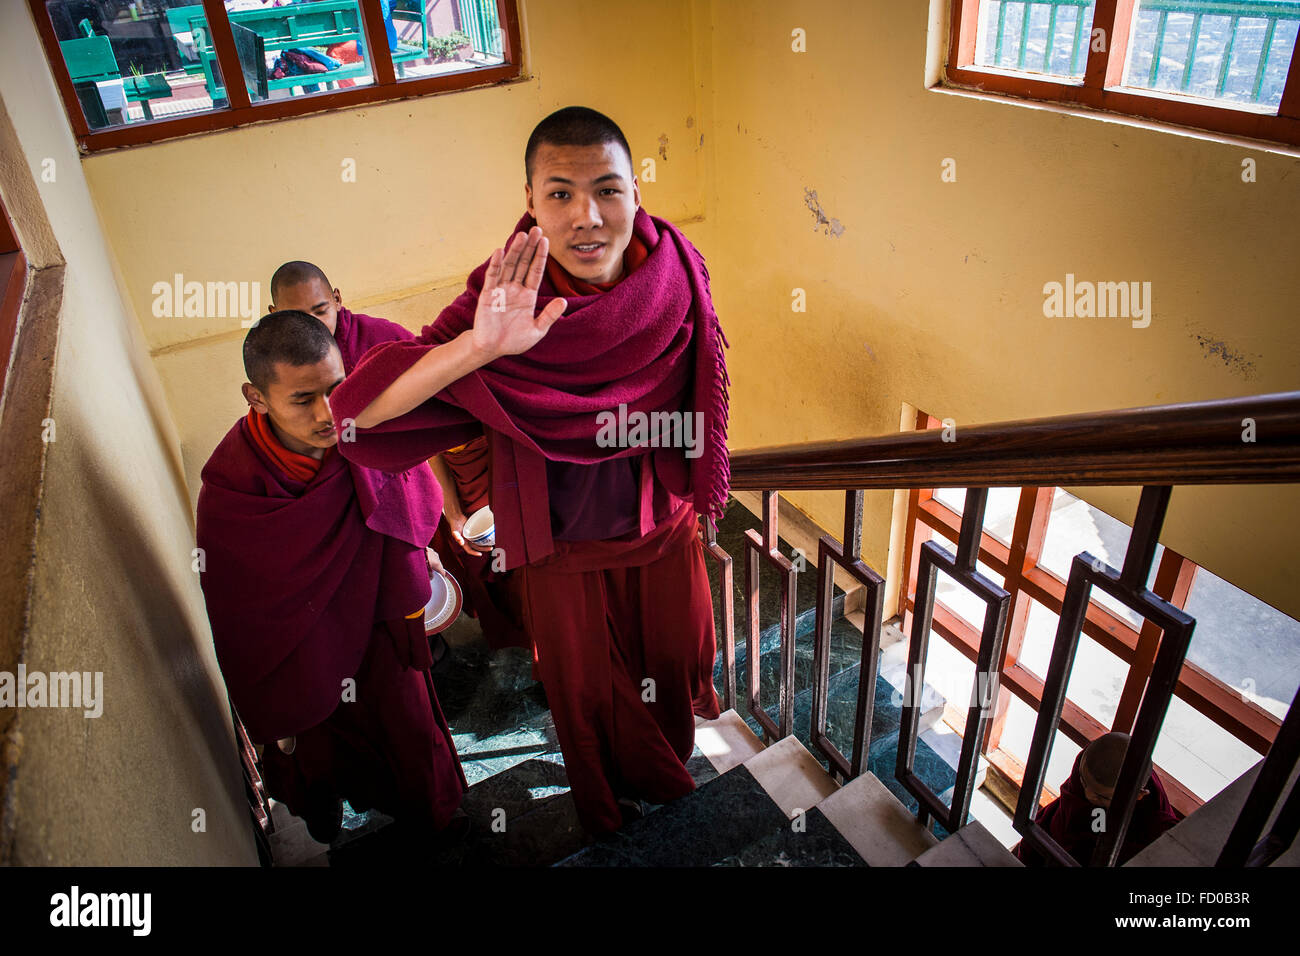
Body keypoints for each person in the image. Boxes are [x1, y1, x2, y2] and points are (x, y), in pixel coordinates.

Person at [328, 106, 730, 835]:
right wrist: (480, 348)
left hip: (663, 534)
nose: (588, 217)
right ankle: (618, 820)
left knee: (666, 678)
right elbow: (357, 415)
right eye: (560, 194)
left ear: (637, 192)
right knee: (586, 703)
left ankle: (668, 794)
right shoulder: (503, 294)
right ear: (531, 204)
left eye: (608, 190)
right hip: (562, 553)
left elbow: (700, 391)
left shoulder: (676, 273)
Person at [196, 310, 466, 848]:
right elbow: (238, 600)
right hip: (307, 646)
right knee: (326, 742)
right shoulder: (234, 486)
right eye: (302, 399)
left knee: (409, 727)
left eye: (337, 388)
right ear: (255, 396)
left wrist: (420, 552)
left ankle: (437, 829)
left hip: (380, 624)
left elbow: (408, 492)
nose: (328, 412)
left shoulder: (365, 428)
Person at [270, 259, 529, 651]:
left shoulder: (380, 340)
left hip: (408, 487)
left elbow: (431, 426)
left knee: (468, 568)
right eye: (294, 316)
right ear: (273, 317)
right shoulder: (279, 371)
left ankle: (525, 646)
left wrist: (449, 506)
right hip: (349, 506)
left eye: (319, 311)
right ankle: (430, 659)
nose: (311, 326)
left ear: (337, 300)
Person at [1013, 731, 1179, 865]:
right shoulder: (1090, 765)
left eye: (1101, 796)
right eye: (1084, 782)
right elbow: (1077, 825)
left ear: (1139, 795)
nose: (1088, 795)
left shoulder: (1154, 816)